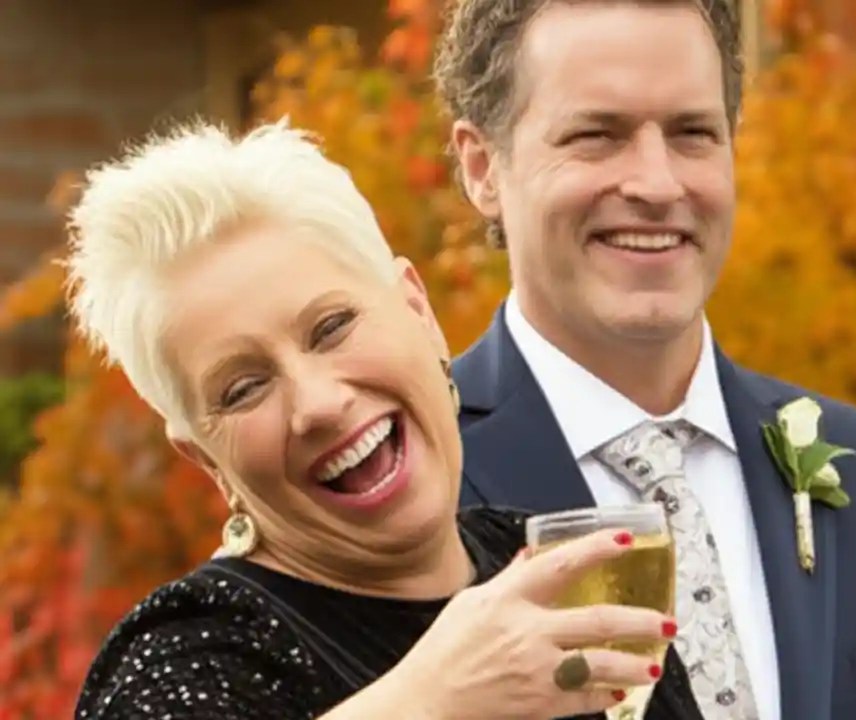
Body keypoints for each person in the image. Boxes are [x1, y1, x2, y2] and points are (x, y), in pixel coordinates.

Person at [434, 0, 856, 718]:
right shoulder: (404, 489)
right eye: (597, 135)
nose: (657, 183)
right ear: (482, 167)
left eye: (692, 133)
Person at [66, 120, 707, 720]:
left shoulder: (557, 573)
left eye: (331, 327)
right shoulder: (194, 656)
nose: (317, 403)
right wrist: (431, 699)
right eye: (244, 388)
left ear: (418, 312)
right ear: (208, 460)